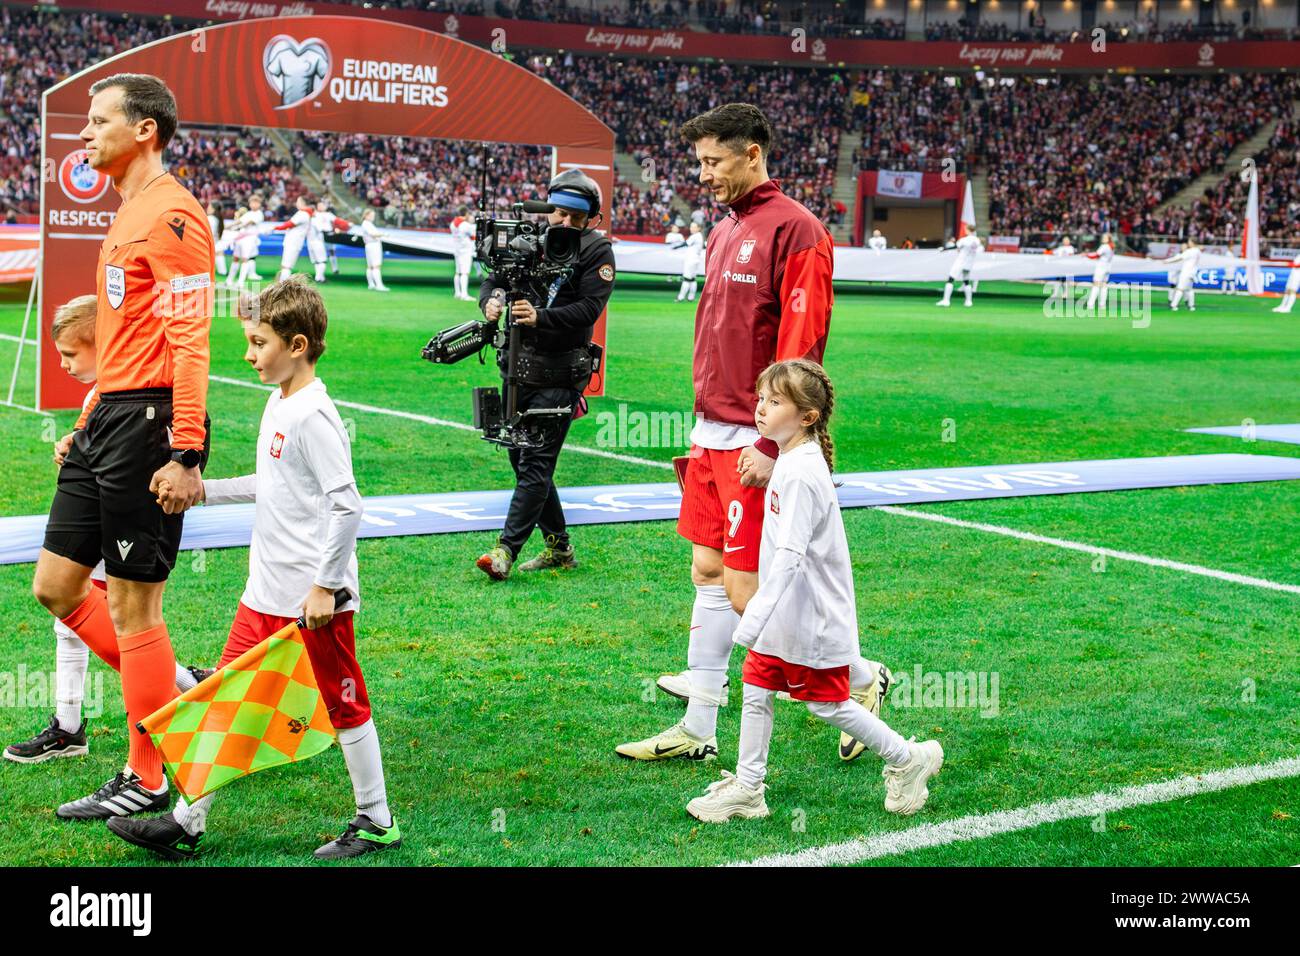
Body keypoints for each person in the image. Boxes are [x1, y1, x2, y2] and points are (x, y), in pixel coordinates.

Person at [617, 103, 888, 763]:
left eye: (713, 162)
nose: (704, 175)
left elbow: (802, 347)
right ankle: (698, 731)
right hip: (710, 431)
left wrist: (771, 444)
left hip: (753, 437)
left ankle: (859, 677)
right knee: (707, 569)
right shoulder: (723, 229)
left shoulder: (798, 231)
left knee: (744, 586)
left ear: (752, 154)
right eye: (700, 163)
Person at [107, 277, 400, 861]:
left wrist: (325, 587)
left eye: (256, 342)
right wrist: (203, 490)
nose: (247, 355)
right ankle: (187, 824)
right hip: (263, 593)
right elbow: (272, 484)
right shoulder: (280, 400)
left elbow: (348, 503)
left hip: (310, 603)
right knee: (224, 698)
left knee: (345, 706)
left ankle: (376, 819)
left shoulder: (314, 413)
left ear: (295, 345)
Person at [32, 73, 214, 820]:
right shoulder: (128, 211)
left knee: (137, 608)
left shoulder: (173, 216)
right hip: (109, 419)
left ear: (145, 130)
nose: (84, 133)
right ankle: (181, 693)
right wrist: (85, 417)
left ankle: (148, 774)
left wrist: (188, 451)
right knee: (57, 585)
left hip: (150, 428)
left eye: (98, 120)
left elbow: (190, 339)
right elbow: (125, 342)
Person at [685, 360, 943, 822]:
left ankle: (909, 758)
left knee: (826, 703)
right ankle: (748, 788)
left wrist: (755, 617)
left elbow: (790, 557)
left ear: (807, 417)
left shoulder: (801, 472)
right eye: (761, 398)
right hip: (787, 613)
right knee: (758, 686)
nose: (761, 409)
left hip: (812, 618)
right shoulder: (790, 460)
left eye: (775, 401)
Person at [474, 169, 615, 580]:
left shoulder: (597, 251)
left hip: (561, 373)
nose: (565, 222)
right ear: (548, 208)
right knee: (523, 460)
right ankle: (560, 548)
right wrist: (492, 302)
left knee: (536, 463)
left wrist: (541, 317)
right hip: (516, 367)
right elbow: (493, 281)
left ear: (591, 218)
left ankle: (505, 551)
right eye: (558, 213)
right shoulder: (529, 240)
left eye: (575, 216)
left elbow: (590, 309)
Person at [937, 225, 982, 307]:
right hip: (969, 262)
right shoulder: (977, 240)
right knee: (966, 281)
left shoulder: (964, 240)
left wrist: (943, 249)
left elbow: (955, 246)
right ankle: (969, 301)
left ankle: (946, 300)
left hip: (961, 261)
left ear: (968, 230)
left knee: (950, 279)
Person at [276, 195, 313, 282]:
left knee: (286, 266)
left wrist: (275, 228)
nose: (296, 203)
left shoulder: (303, 214)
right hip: (294, 242)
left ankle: (282, 286)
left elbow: (289, 224)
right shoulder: (306, 213)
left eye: (298, 201)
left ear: (302, 203)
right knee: (286, 265)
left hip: (293, 242)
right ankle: (281, 285)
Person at [1165, 238, 1202, 311]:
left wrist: (1167, 261)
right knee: (1189, 289)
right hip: (1193, 272)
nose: (1188, 243)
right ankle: (1191, 306)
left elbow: (1179, 258)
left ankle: (1173, 305)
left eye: (1189, 242)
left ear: (1192, 242)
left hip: (1186, 272)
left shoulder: (1190, 251)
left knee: (1180, 289)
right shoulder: (1198, 251)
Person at [359, 209, 390, 292]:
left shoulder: (367, 224)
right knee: (376, 266)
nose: (373, 217)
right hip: (373, 245)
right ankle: (379, 285)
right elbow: (373, 234)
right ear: (366, 215)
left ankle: (371, 284)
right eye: (371, 215)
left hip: (370, 245)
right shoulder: (366, 224)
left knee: (370, 266)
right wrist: (383, 234)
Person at [451, 205, 476, 301]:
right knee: (465, 273)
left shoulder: (453, 223)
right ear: (466, 214)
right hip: (465, 251)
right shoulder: (465, 225)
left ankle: (457, 293)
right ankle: (464, 294)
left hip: (457, 250)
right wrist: (472, 221)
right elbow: (473, 235)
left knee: (458, 272)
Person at [1085, 232, 1115, 312]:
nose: (1103, 238)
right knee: (1104, 286)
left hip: (1101, 268)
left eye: (1105, 237)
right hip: (1108, 268)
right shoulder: (1111, 247)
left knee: (1096, 285)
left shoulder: (1104, 246)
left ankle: (1090, 304)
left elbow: (1096, 255)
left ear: (1108, 239)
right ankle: (1102, 305)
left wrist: (1086, 255)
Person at [677, 221, 705, 302]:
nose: (691, 228)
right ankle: (691, 297)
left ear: (698, 228)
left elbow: (686, 243)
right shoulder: (699, 236)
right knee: (692, 279)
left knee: (686, 278)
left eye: (693, 227)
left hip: (691, 260)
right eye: (691, 227)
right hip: (696, 259)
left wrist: (675, 247)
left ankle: (680, 297)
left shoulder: (695, 236)